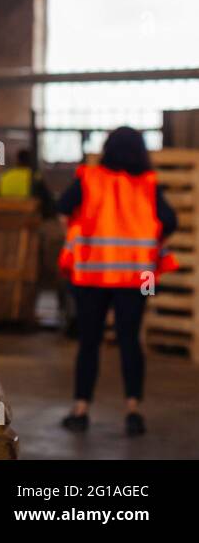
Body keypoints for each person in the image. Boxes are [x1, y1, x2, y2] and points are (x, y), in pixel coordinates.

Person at [56, 126, 178, 437]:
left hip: (90, 277)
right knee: (130, 340)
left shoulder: (89, 179)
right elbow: (169, 222)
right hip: (139, 278)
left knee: (89, 342)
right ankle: (133, 410)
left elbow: (62, 208)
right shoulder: (149, 185)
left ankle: (81, 410)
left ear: (107, 149)